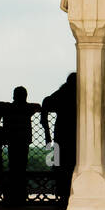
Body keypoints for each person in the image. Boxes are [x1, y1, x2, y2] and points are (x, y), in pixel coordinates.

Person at [0, 86, 41, 207]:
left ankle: (12, 196)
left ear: (14, 96)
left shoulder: (8, 108)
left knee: (13, 167)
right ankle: (21, 196)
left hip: (12, 140)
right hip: (23, 140)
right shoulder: (28, 108)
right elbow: (38, 105)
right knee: (22, 168)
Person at [41, 72, 78, 202]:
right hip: (76, 133)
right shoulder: (79, 94)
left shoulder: (62, 93)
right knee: (74, 161)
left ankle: (62, 192)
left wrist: (46, 130)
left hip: (61, 132)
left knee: (59, 162)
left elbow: (46, 102)